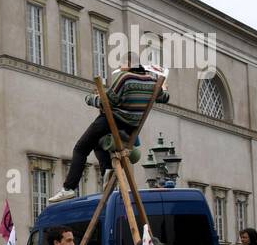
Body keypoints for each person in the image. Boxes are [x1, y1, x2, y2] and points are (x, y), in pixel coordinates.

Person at [49, 63, 169, 204]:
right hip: (130, 127)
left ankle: (69, 188)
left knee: (81, 148)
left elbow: (108, 102)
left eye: (122, 63)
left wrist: (91, 98)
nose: (119, 65)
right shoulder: (151, 82)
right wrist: (164, 87)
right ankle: (107, 170)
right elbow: (164, 97)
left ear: (129, 64)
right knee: (98, 144)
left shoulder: (124, 78)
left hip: (112, 121)